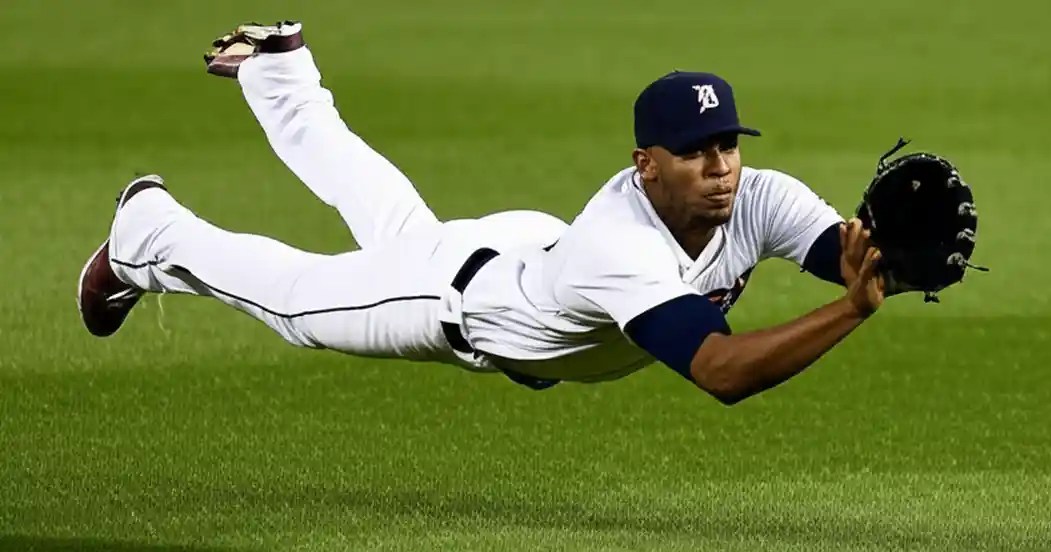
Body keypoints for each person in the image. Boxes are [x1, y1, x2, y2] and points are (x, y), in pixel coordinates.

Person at [77, 21, 886, 404]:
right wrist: (852, 309)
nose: (721, 168)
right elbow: (722, 372)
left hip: (530, 250)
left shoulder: (756, 194)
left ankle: (284, 80)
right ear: (646, 163)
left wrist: (895, 257)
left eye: (728, 145)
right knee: (298, 302)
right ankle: (150, 233)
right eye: (696, 152)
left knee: (398, 230)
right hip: (455, 301)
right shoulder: (622, 245)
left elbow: (848, 251)